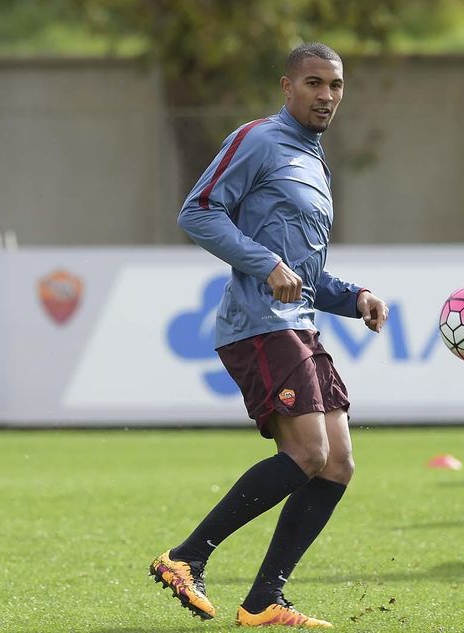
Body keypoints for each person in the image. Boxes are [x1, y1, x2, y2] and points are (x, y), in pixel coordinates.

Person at [149, 42, 389, 628]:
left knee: (337, 465)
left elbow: (302, 273)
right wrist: (265, 263)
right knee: (308, 453)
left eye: (335, 85)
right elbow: (197, 212)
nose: (326, 96)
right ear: (287, 87)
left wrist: (354, 297)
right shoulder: (258, 139)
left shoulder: (316, 161)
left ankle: (263, 601)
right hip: (258, 325)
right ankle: (186, 557)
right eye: (313, 83)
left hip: (299, 325)